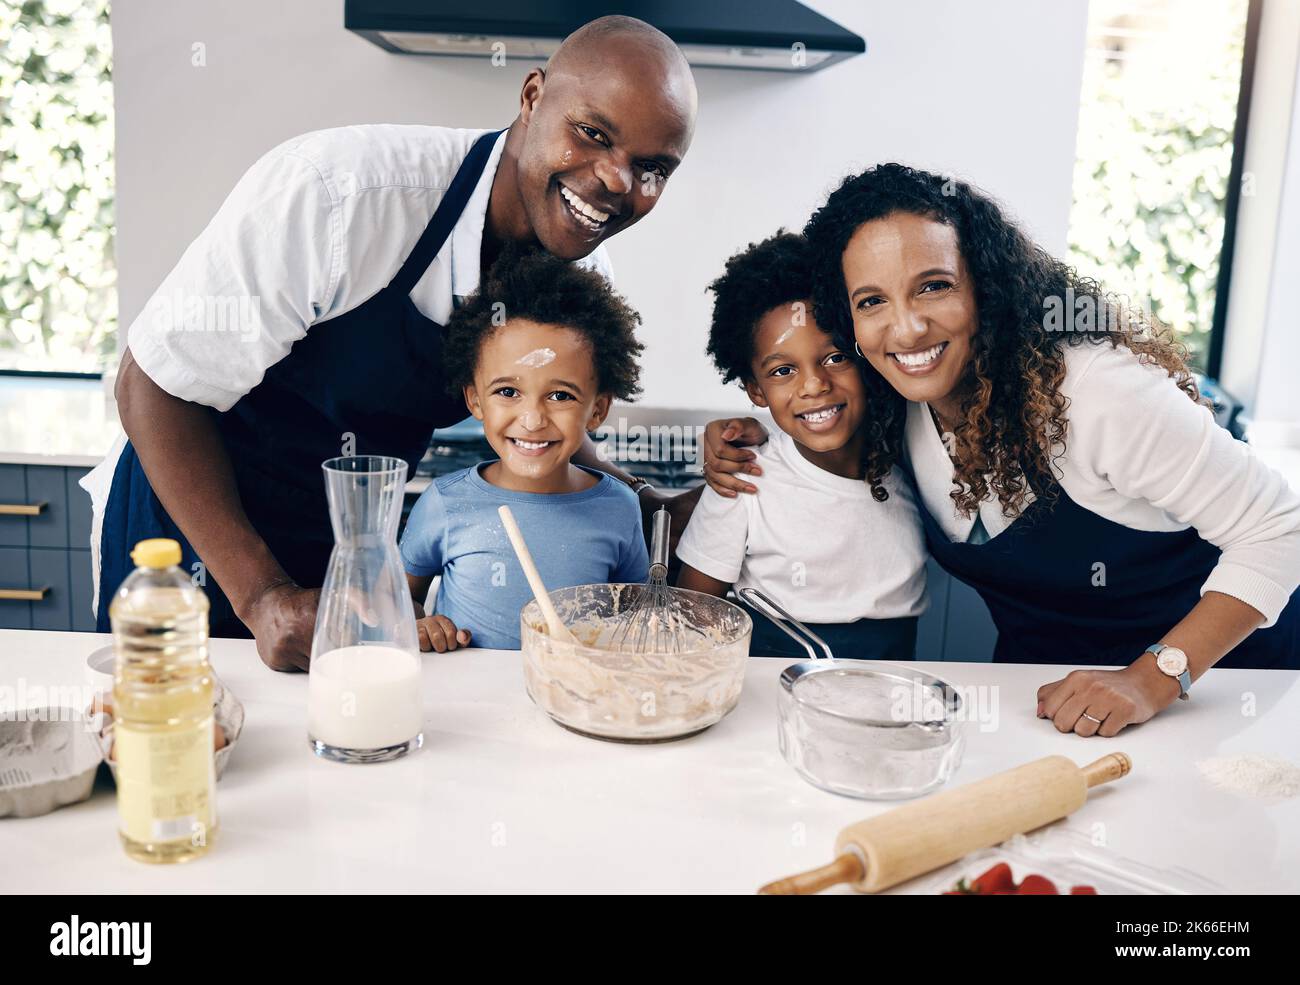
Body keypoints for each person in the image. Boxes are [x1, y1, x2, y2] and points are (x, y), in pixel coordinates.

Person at [83, 15, 699, 670]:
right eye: (593, 134)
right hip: (193, 540)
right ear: (531, 96)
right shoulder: (342, 195)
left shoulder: (578, 268)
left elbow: (547, 425)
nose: (615, 181)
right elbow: (148, 385)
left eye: (652, 167)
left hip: (347, 549)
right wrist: (263, 595)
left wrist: (642, 498)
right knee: (174, 746)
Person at [701, 163, 1300, 736]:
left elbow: (1279, 528)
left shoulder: (1096, 392)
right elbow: (813, 422)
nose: (906, 329)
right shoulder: (896, 399)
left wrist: (1154, 677)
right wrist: (738, 440)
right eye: (871, 301)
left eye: (933, 287)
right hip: (1048, 704)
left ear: (986, 289)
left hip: (1229, 696)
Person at [674, 232, 926, 660]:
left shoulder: (914, 463)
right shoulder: (743, 480)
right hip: (769, 701)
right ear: (755, 390)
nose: (814, 385)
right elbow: (690, 617)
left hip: (887, 697)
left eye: (835, 357)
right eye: (783, 370)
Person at [401, 249, 649, 651]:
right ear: (476, 400)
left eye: (560, 395)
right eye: (508, 392)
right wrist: (421, 625)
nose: (532, 419)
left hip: (577, 704)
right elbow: (395, 602)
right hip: (473, 706)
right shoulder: (446, 504)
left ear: (598, 409)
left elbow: (636, 622)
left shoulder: (619, 507)